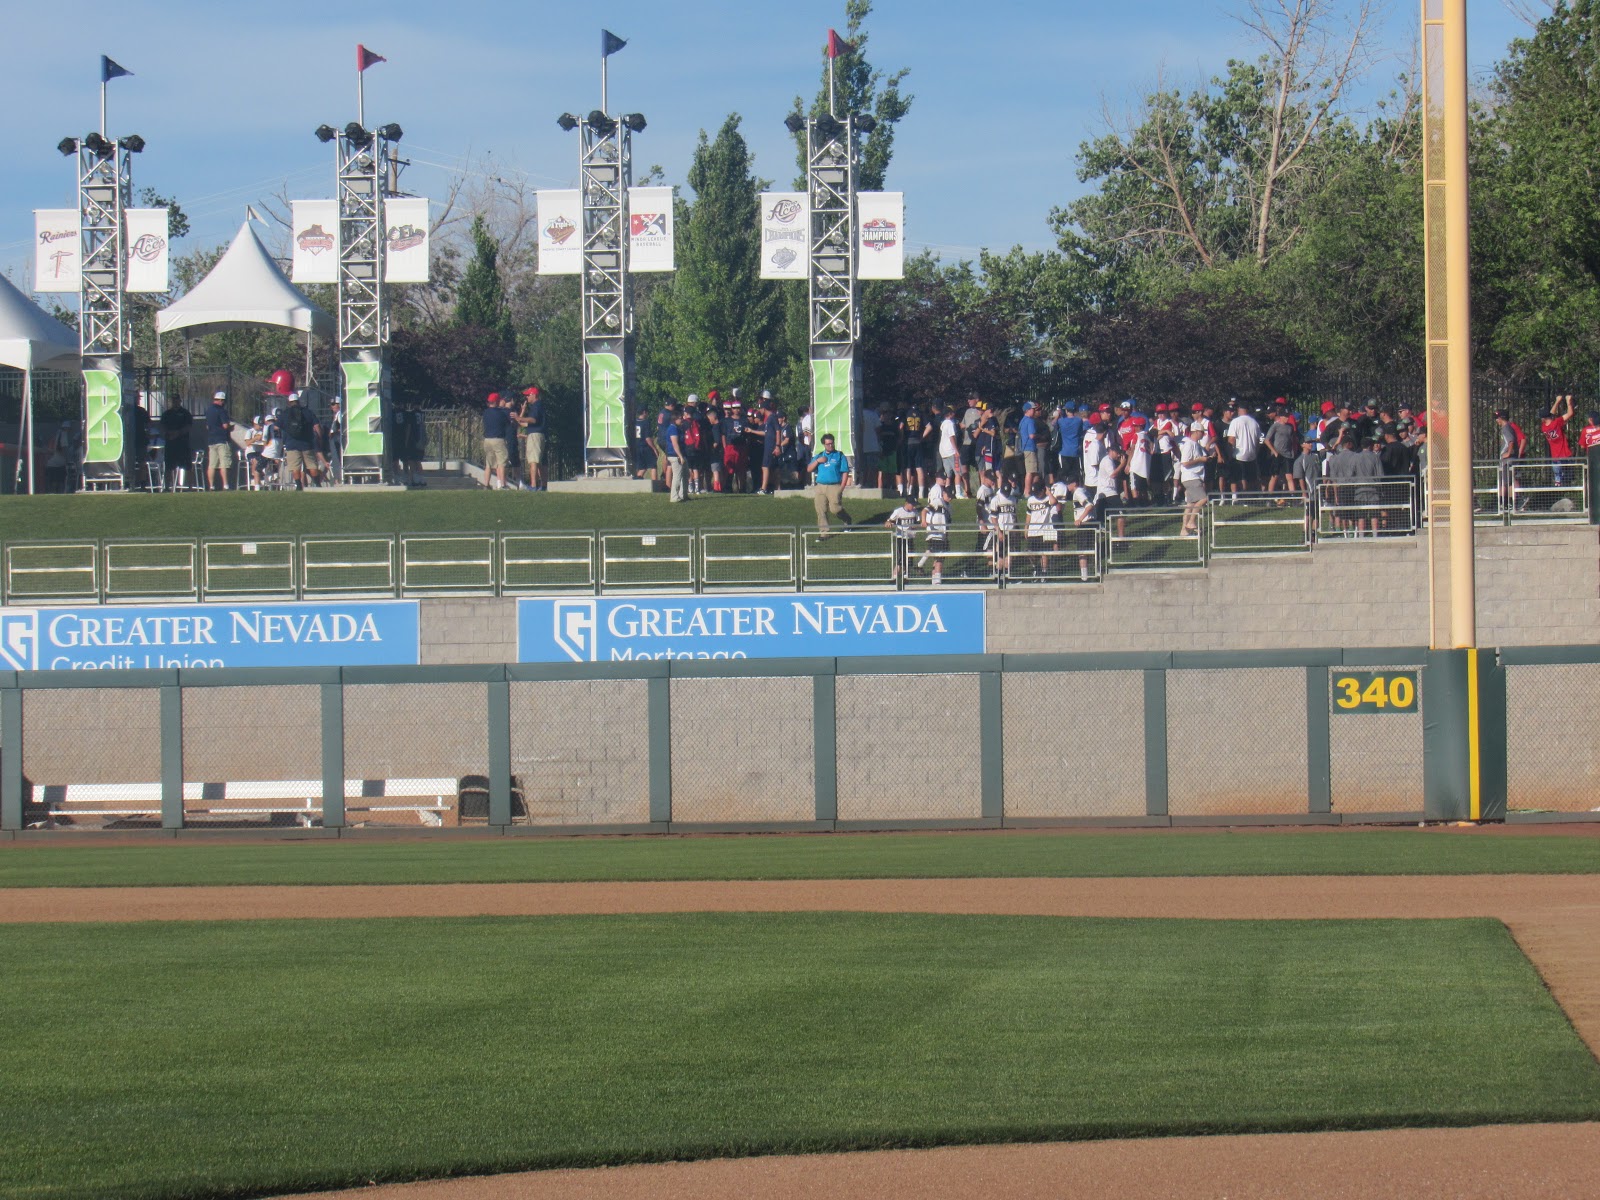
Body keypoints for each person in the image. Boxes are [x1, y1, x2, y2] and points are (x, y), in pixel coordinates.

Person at [807, 432, 852, 536]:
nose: (830, 446)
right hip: (820, 486)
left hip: (834, 485)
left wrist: (842, 487)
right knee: (821, 509)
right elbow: (809, 469)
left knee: (835, 508)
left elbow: (845, 471)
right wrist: (817, 461)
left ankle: (847, 519)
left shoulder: (839, 455)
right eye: (828, 444)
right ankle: (824, 532)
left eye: (832, 443)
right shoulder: (819, 455)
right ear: (824, 444)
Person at [280, 393, 322, 490]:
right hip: (307, 444)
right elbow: (317, 426)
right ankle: (317, 484)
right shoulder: (307, 412)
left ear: (289, 402)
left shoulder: (285, 414)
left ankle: (299, 486)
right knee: (312, 465)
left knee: (295, 467)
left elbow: (277, 427)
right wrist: (319, 438)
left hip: (291, 444)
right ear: (298, 402)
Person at [1178, 422, 1210, 536]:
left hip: (1193, 476)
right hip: (1191, 477)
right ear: (1196, 431)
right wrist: (1201, 460)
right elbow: (1185, 462)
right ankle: (1191, 522)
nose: (1203, 434)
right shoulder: (1189, 444)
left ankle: (1184, 530)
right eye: (1202, 432)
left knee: (1190, 503)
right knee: (1203, 499)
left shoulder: (1196, 445)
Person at [1226, 402, 1263, 498]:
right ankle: (1249, 497)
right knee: (1251, 477)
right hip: (1251, 453)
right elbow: (1258, 440)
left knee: (1239, 477)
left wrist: (1230, 453)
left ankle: (1239, 497)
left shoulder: (1235, 421)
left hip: (1238, 454)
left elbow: (1231, 439)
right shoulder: (1254, 422)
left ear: (1239, 410)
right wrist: (1256, 452)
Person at [159, 399, 194, 492]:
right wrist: (168, 433)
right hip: (170, 443)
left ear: (180, 401)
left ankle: (190, 487)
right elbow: (162, 426)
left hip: (183, 444)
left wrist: (178, 433)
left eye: (177, 401)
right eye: (173, 401)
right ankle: (167, 487)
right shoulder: (167, 413)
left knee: (187, 466)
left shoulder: (185, 413)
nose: (175, 403)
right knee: (169, 466)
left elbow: (189, 426)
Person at [885, 494, 921, 583]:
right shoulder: (898, 511)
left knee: (909, 558)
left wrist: (915, 527)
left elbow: (918, 522)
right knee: (901, 558)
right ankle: (894, 577)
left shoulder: (915, 512)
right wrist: (888, 523)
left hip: (910, 537)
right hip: (901, 537)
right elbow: (889, 521)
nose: (913, 506)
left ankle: (905, 576)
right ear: (906, 503)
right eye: (912, 504)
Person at [205, 390, 235, 491]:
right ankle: (226, 485)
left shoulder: (209, 410)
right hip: (222, 439)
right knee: (224, 463)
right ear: (221, 400)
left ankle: (211, 486)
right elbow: (225, 425)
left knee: (212, 464)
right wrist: (231, 427)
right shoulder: (221, 410)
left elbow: (208, 426)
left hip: (211, 440)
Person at [481, 391, 512, 490]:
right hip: (498, 440)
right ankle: (503, 485)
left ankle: (486, 484)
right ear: (497, 401)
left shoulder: (485, 413)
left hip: (487, 440)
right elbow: (508, 423)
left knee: (489, 464)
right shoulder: (501, 413)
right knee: (502, 462)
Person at [665, 407, 689, 502]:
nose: (682, 419)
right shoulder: (672, 429)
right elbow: (675, 444)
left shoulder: (678, 428)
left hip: (680, 455)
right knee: (677, 476)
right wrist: (680, 456)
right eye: (680, 418)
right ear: (675, 419)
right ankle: (674, 497)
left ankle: (683, 495)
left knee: (685, 475)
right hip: (675, 455)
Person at [1018, 401, 1042, 493]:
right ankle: (1027, 491)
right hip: (1030, 448)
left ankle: (1032, 490)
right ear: (1028, 410)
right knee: (1031, 471)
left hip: (1024, 447)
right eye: (1033, 409)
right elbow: (1032, 435)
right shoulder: (1030, 421)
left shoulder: (1022, 420)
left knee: (1032, 470)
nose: (1034, 411)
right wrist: (1039, 436)